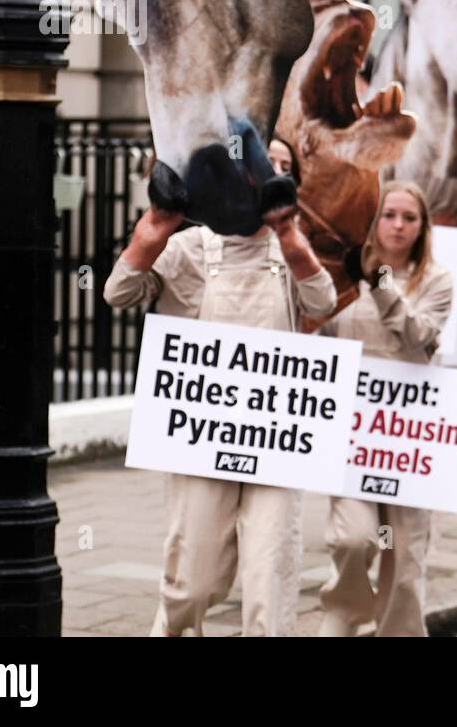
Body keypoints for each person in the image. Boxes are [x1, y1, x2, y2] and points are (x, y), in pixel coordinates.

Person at [103, 138, 336, 637]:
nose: (272, 172)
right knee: (192, 582)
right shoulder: (187, 248)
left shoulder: (292, 249)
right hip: (200, 440)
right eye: (263, 163)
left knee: (267, 581)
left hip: (277, 439)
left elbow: (322, 301)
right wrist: (155, 228)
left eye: (284, 167)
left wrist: (290, 235)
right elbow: (118, 293)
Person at [315, 180, 455, 637]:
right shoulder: (340, 276)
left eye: (409, 218)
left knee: (407, 553)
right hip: (351, 433)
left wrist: (381, 286)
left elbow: (418, 338)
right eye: (388, 215)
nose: (397, 226)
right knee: (353, 539)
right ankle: (346, 620)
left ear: (422, 227)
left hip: (408, 435)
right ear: (372, 222)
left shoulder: (436, 280)